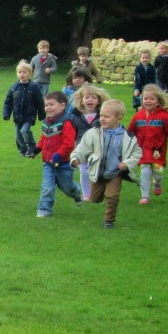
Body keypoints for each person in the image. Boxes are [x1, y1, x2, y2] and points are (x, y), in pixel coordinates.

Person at [70, 99, 142, 229]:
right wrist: (75, 158)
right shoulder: (94, 133)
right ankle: (101, 191)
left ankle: (109, 221)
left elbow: (136, 153)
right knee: (95, 198)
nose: (102, 119)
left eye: (107, 116)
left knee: (112, 196)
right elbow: (83, 147)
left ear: (118, 118)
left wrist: (127, 163)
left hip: (115, 171)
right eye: (101, 115)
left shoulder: (127, 137)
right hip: (97, 171)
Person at [126, 84, 168, 204]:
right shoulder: (138, 116)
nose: (148, 101)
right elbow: (130, 132)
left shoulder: (164, 117)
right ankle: (145, 196)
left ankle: (157, 182)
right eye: (145, 98)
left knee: (158, 174)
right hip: (143, 150)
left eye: (151, 99)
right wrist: (126, 145)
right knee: (145, 171)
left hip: (158, 151)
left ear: (158, 101)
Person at [35, 89, 81, 217]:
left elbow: (69, 143)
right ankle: (44, 210)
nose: (48, 108)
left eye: (51, 104)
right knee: (47, 187)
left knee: (67, 187)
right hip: (48, 163)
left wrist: (59, 154)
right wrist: (37, 149)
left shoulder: (67, 123)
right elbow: (44, 137)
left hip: (64, 163)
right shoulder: (46, 122)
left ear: (62, 106)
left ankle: (76, 192)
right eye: (46, 105)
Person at [67, 83, 110, 200]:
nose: (90, 100)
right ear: (81, 100)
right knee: (84, 171)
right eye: (87, 97)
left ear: (98, 100)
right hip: (82, 148)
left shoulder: (103, 115)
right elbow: (71, 132)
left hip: (99, 147)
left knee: (99, 171)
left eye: (93, 97)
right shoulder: (75, 115)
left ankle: (101, 191)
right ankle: (86, 194)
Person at [2, 63, 44, 158]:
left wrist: (42, 114)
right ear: (17, 73)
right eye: (19, 72)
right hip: (17, 116)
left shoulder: (34, 87)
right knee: (18, 135)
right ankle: (23, 150)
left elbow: (40, 102)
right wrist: (6, 114)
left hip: (29, 115)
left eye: (24, 72)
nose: (22, 74)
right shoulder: (14, 87)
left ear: (30, 74)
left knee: (24, 130)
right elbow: (8, 102)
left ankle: (32, 146)